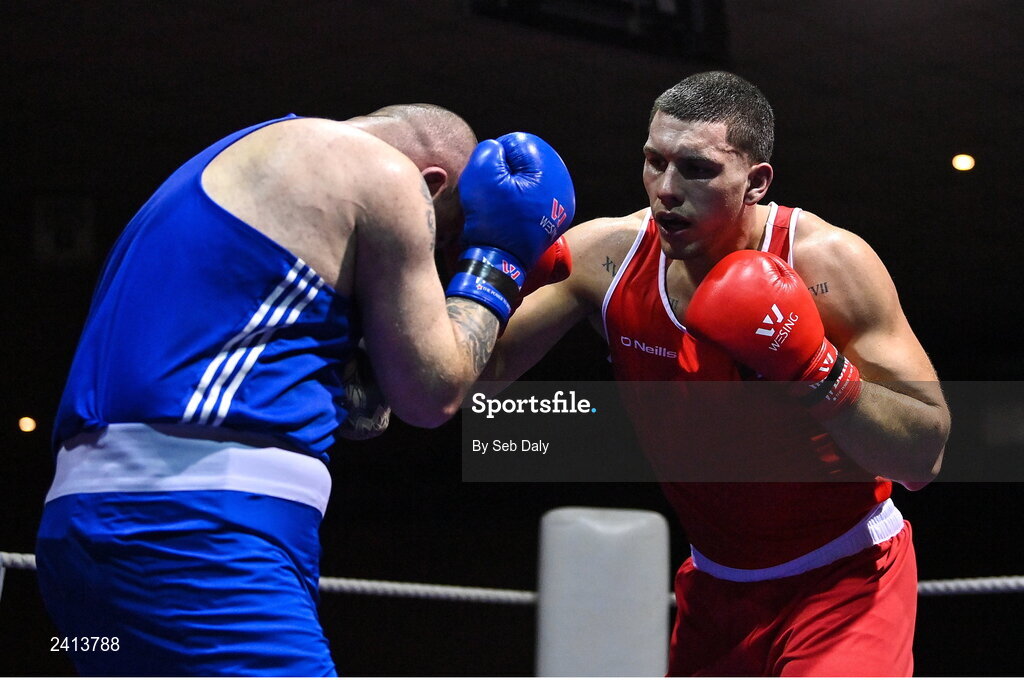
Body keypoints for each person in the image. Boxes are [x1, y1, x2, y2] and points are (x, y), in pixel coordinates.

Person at [36, 104, 575, 676]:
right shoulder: (385, 175)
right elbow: (431, 395)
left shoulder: (237, 167)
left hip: (80, 539)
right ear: (432, 183)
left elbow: (366, 410)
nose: (433, 261)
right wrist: (497, 262)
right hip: (198, 530)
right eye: (444, 235)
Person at [483, 72, 950, 676]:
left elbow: (925, 454)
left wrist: (816, 370)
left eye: (697, 169)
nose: (666, 190)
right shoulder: (607, 258)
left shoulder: (828, 264)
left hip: (847, 581)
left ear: (756, 181)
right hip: (714, 587)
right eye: (655, 162)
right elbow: (467, 379)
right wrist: (486, 264)